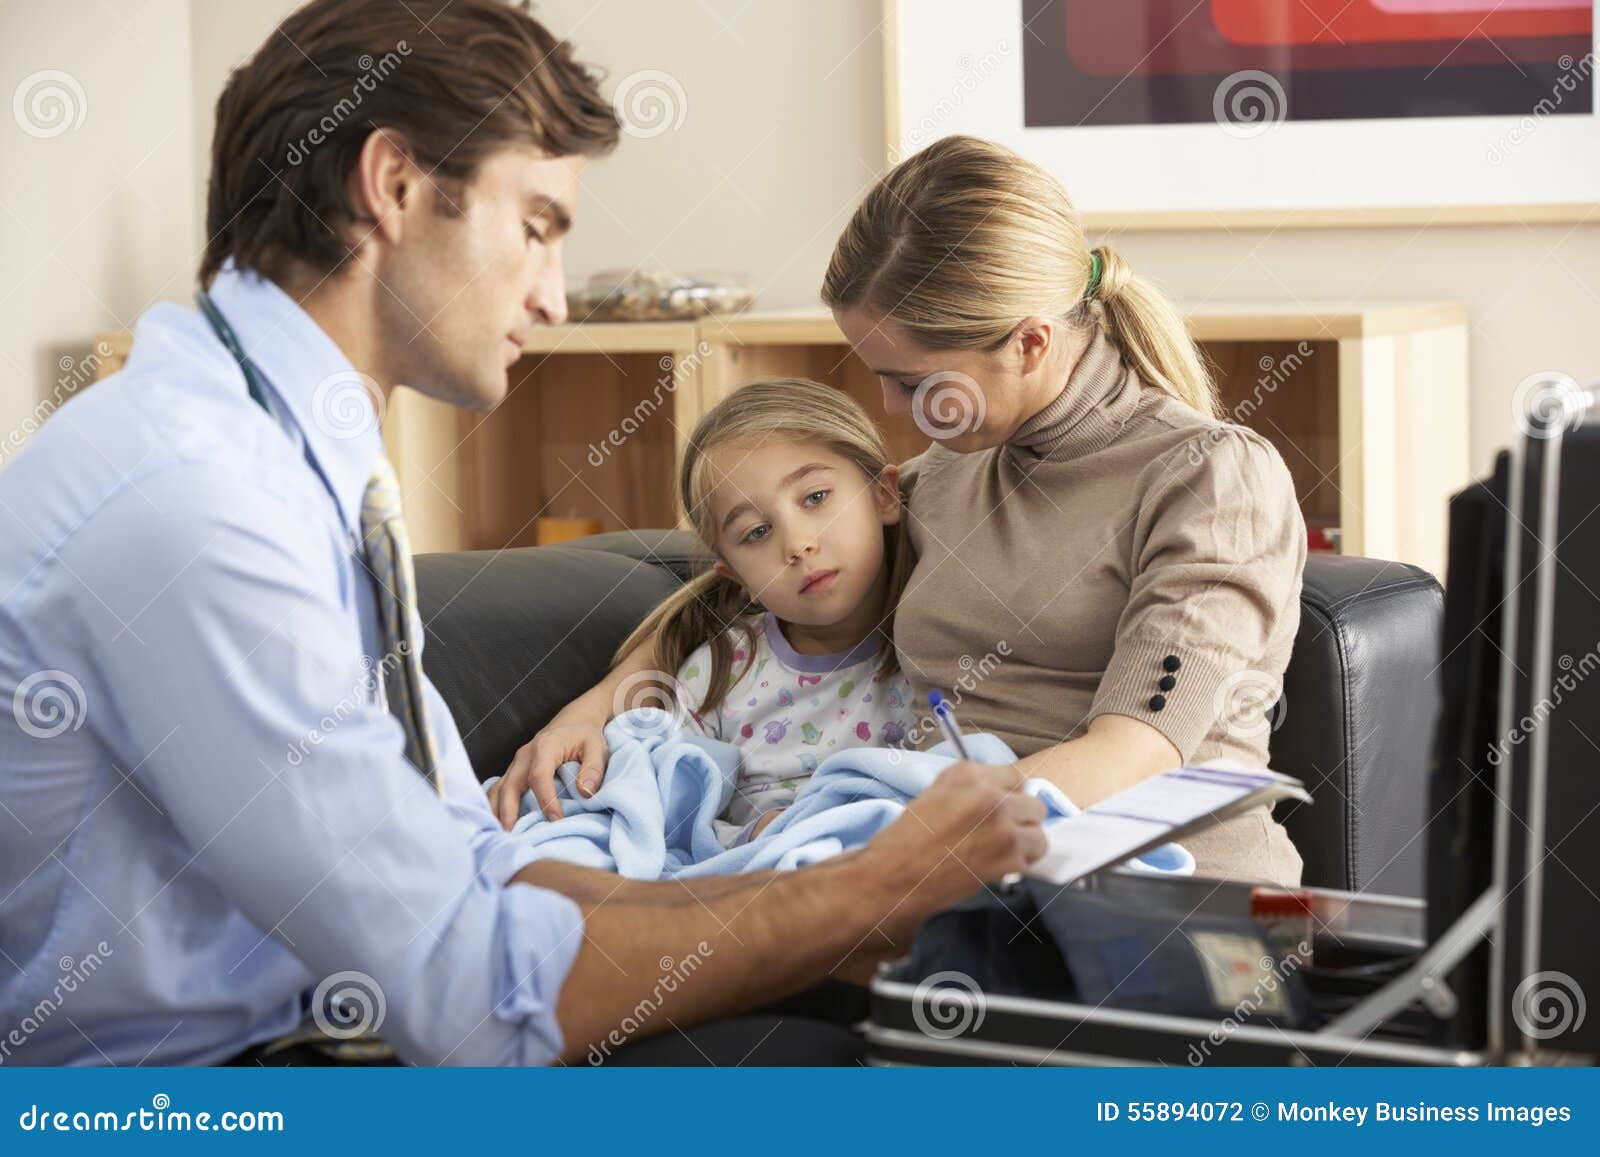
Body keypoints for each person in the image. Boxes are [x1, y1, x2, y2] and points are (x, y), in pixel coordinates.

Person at [0, 1, 1046, 1067]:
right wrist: (865, 892)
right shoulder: (197, 500)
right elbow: (471, 1002)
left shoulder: (300, 456)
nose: (552, 297)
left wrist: (828, 901)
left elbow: (482, 869)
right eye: (538, 225)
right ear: (395, 184)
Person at [501, 136, 1307, 887]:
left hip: (1156, 892)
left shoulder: (1212, 479)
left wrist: (873, 839)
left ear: (1029, 342)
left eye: (916, 381)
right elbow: (742, 588)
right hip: (950, 873)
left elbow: (1136, 751)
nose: (888, 404)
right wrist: (596, 706)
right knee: (572, 887)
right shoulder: (952, 473)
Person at [491, 379, 921, 844]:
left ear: (884, 494)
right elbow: (671, 809)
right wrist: (750, 835)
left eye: (815, 498)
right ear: (735, 575)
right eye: (756, 532)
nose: (798, 545)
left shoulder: (941, 640)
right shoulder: (718, 674)